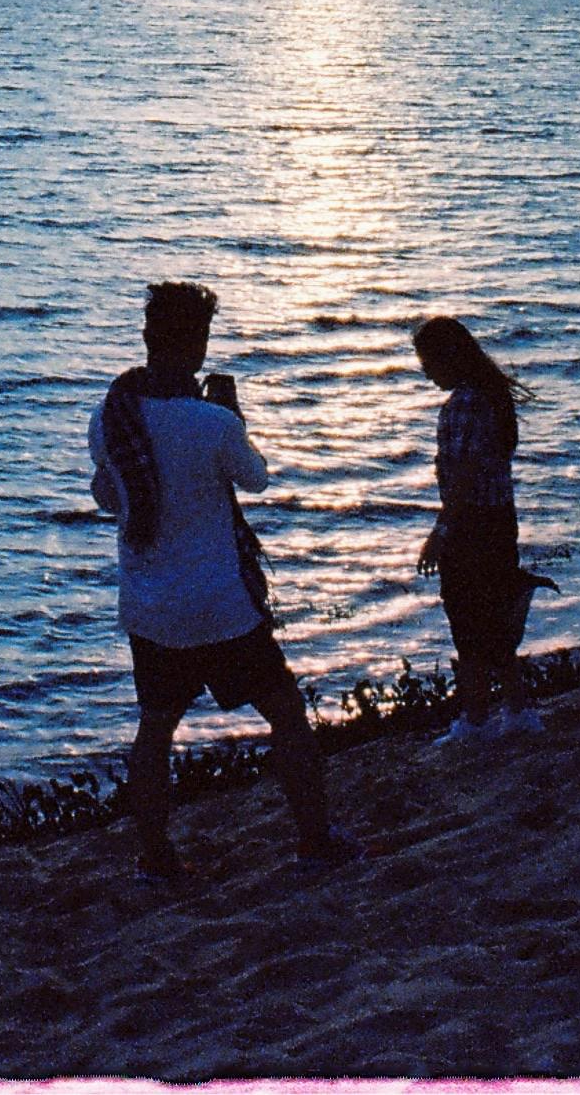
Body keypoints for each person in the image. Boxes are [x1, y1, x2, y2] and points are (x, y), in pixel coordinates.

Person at [88, 280, 358, 879]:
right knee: (285, 714)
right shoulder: (211, 423)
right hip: (221, 606)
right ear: (199, 344)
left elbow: (111, 499)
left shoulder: (111, 416)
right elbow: (256, 479)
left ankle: (156, 856)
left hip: (151, 607)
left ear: (147, 337)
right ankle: (315, 838)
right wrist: (233, 417)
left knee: (155, 730)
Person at [414, 314, 542, 740]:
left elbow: (465, 475)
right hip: (498, 520)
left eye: (428, 362)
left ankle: (476, 719)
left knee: (468, 623)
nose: (426, 372)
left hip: (473, 526)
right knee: (493, 621)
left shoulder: (467, 403)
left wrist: (440, 531)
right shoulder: (489, 397)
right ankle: (516, 710)